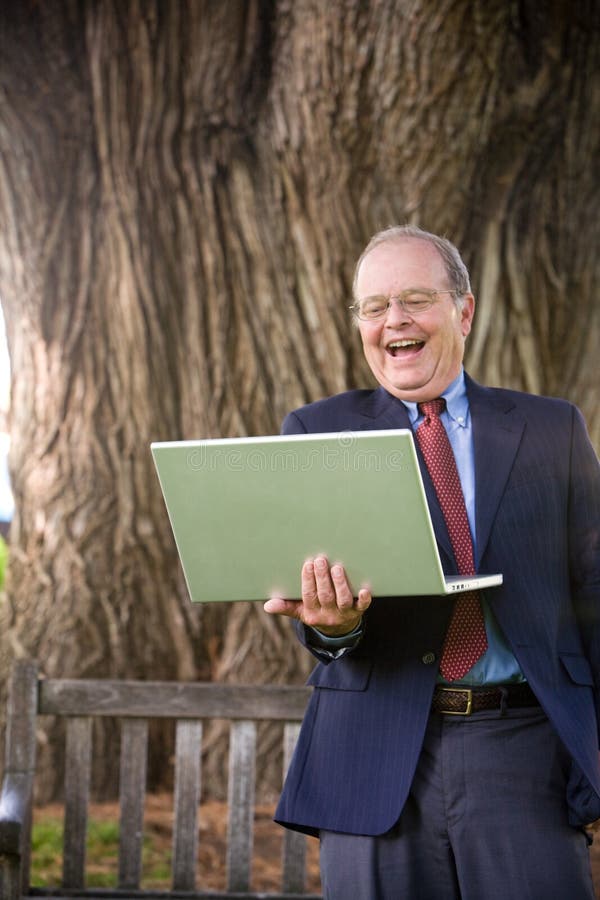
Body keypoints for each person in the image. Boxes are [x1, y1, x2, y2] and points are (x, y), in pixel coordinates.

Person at [263, 224, 600, 899]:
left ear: (463, 311)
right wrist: (330, 625)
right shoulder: (316, 432)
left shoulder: (550, 429)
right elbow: (319, 616)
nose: (395, 321)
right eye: (374, 306)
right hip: (370, 751)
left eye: (415, 299)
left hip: (525, 747)